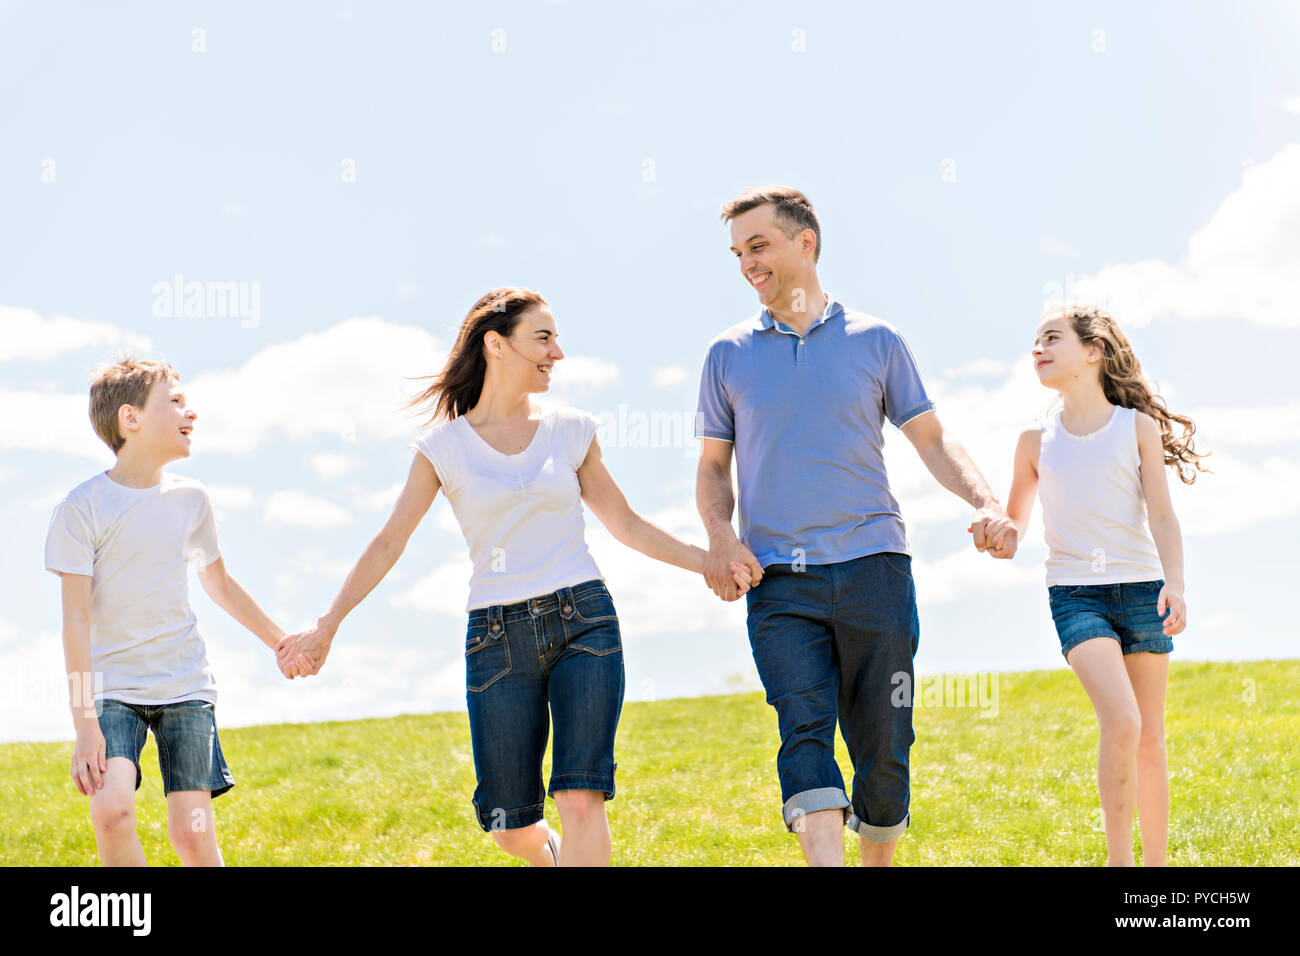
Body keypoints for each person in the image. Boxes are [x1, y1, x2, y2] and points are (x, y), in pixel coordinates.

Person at [276, 287, 749, 867]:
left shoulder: (572, 429)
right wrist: (328, 625)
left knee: (581, 798)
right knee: (510, 826)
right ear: (496, 345)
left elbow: (624, 523)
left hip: (584, 621)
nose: (558, 353)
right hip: (497, 638)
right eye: (544, 339)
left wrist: (706, 559)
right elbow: (389, 541)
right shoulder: (442, 449)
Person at [695, 185, 1018, 867]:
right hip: (780, 581)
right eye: (738, 252)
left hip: (875, 569)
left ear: (805, 242)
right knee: (802, 730)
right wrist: (722, 538)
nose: (748, 264)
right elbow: (712, 469)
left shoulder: (877, 339)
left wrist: (986, 502)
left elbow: (931, 439)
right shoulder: (728, 353)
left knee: (884, 750)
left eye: (759, 246)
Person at [43, 357, 298, 866]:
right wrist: (84, 725)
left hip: (185, 686)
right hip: (112, 692)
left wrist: (282, 641)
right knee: (111, 810)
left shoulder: (191, 500)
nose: (191, 412)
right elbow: (74, 623)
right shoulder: (81, 508)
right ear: (131, 419)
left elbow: (219, 586)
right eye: (175, 401)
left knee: (192, 833)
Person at [992, 302, 1206, 866]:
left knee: (1149, 737)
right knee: (1122, 718)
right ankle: (1120, 863)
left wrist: (1176, 584)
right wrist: (996, 530)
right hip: (1075, 596)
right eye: (1035, 340)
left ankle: (1155, 870)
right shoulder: (1033, 442)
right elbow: (1014, 526)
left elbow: (1161, 514)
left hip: (1142, 591)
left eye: (1051, 338)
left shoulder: (1136, 428)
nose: (1037, 348)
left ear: (1094, 351)